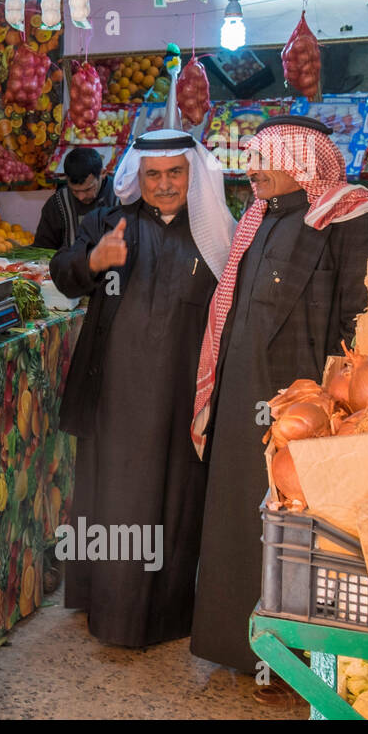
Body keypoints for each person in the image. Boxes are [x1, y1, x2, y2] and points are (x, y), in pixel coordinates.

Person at [190, 116, 368, 687]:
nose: (251, 170)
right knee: (239, 526)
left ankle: (298, 669)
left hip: (308, 416)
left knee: (304, 541)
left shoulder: (355, 218)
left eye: (263, 157)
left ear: (304, 159)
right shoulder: (259, 220)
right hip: (243, 407)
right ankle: (241, 650)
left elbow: (365, 330)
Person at [50, 129, 236, 647]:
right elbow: (62, 271)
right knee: (115, 500)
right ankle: (110, 611)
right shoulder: (109, 222)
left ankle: (169, 615)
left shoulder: (219, 231)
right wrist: (92, 262)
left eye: (175, 173)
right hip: (115, 395)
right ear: (139, 177)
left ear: (192, 175)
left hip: (183, 399)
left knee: (177, 500)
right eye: (153, 174)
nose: (164, 184)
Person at [34, 147, 118, 250]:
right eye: (74, 191)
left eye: (88, 189)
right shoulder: (57, 204)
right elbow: (43, 250)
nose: (81, 197)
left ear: (103, 173)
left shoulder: (122, 198)